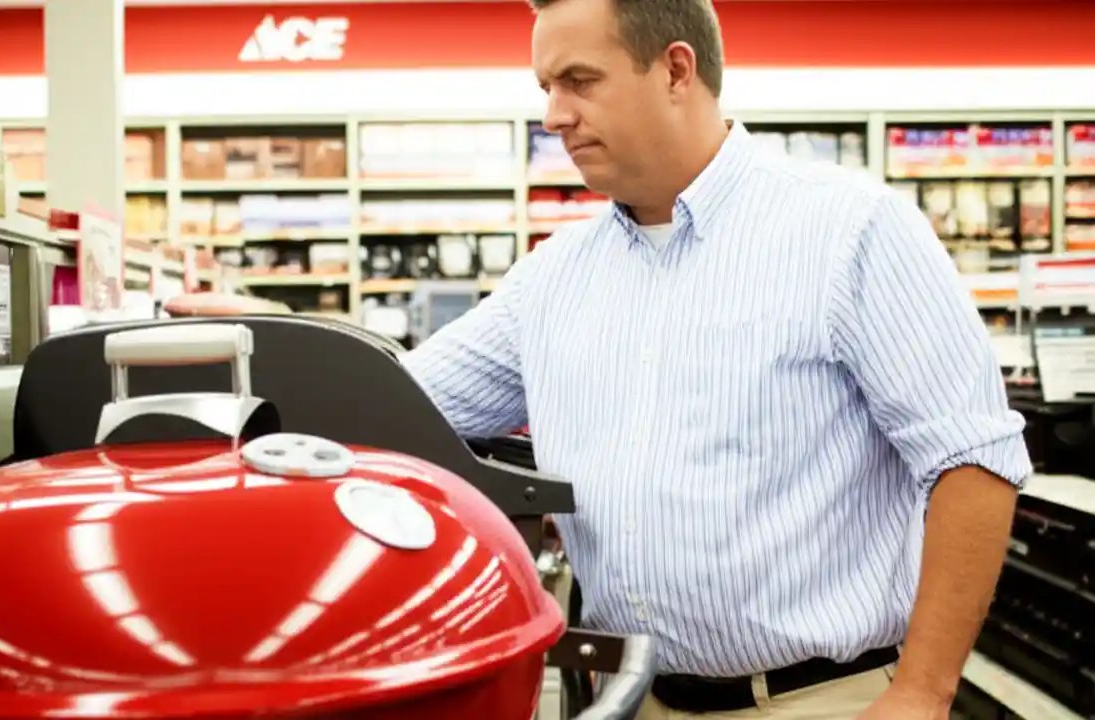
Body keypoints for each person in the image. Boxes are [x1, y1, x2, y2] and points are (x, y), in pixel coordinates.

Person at [397, 0, 1033, 717]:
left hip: (818, 701)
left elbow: (972, 459)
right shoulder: (553, 278)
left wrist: (922, 690)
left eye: (579, 80)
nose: (554, 116)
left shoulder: (847, 230)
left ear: (675, 69)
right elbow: (396, 404)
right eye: (546, 86)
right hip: (635, 698)